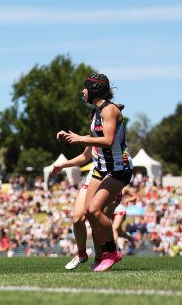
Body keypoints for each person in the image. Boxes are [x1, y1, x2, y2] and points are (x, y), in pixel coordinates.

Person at [56, 73, 133, 272]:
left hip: (118, 169)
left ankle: (111, 252)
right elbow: (87, 153)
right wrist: (66, 156)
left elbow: (107, 140)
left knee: (95, 210)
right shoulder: (95, 113)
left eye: (85, 88)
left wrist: (80, 138)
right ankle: (101, 256)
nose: (82, 92)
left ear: (94, 90)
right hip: (101, 169)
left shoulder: (110, 110)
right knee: (88, 213)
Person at [112, 186, 137, 252]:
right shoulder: (109, 183)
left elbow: (135, 197)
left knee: (114, 229)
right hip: (111, 211)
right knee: (119, 233)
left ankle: (114, 249)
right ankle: (130, 238)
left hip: (120, 210)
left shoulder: (125, 188)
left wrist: (128, 200)